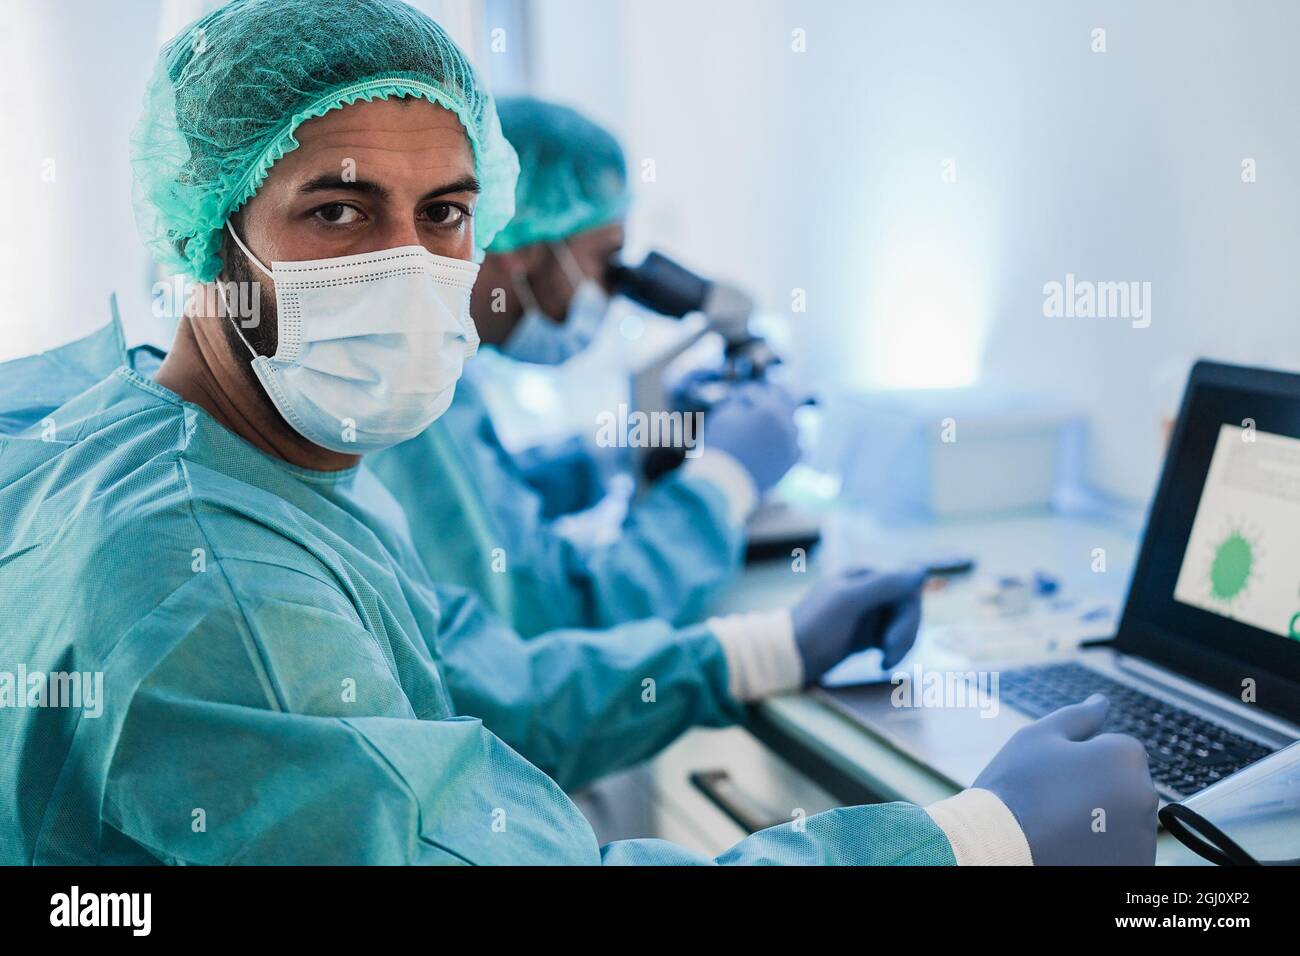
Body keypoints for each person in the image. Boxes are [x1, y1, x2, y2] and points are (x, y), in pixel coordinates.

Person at [0, 0, 1157, 866]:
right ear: (210, 236)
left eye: (446, 213)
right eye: (338, 209)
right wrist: (969, 841)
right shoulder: (211, 581)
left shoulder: (248, 461)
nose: (408, 263)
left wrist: (759, 650)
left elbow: (473, 681)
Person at [367, 97, 800, 637]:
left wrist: (614, 455)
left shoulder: (439, 364)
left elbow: (484, 503)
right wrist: (725, 482)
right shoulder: (408, 392)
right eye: (604, 259)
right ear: (521, 242)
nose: (611, 290)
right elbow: (550, 616)